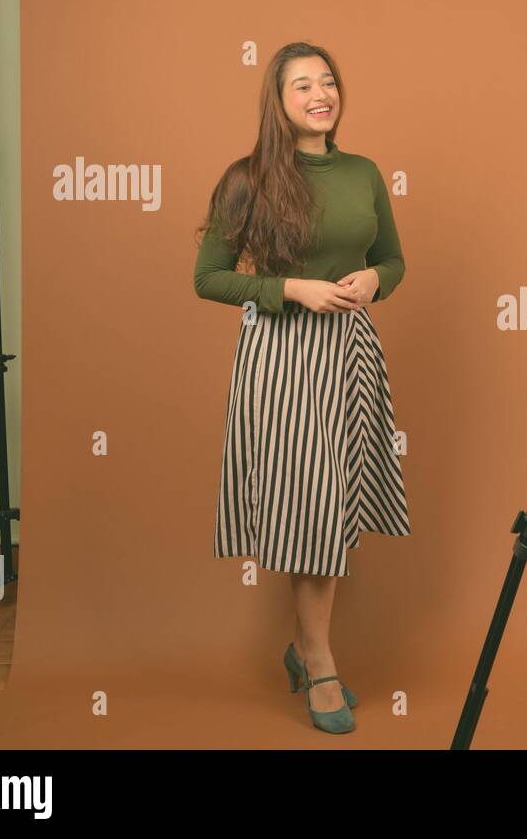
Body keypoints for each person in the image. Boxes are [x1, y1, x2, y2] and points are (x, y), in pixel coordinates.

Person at [192, 41, 409, 734]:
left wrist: (375, 280)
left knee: (335, 505)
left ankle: (302, 647)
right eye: (302, 85)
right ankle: (319, 661)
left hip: (351, 351)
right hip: (282, 356)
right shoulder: (247, 178)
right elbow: (208, 278)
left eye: (328, 81)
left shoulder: (364, 172)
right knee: (309, 507)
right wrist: (290, 289)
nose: (320, 94)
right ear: (278, 102)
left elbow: (393, 259)